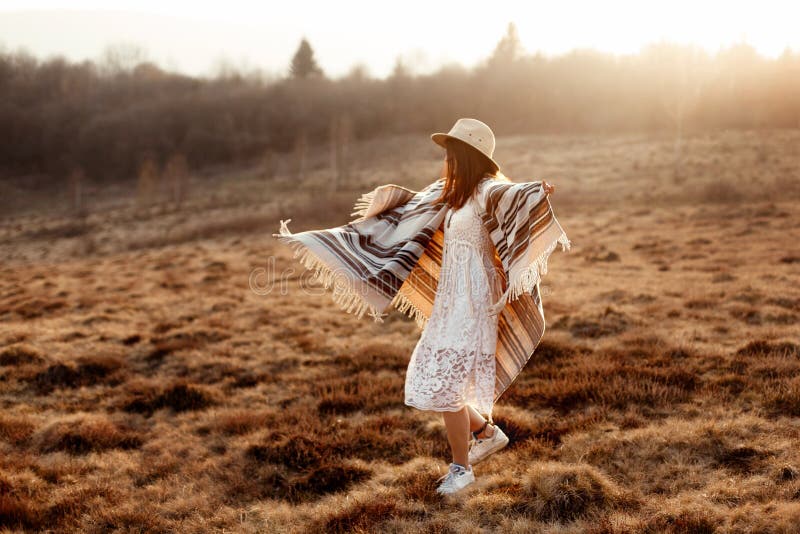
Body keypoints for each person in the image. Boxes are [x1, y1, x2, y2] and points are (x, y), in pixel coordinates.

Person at [403, 118, 555, 494]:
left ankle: (461, 469)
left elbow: (516, 195)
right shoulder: (456, 194)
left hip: (474, 303)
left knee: (448, 385)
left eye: (452, 154)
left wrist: (538, 191)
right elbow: (413, 212)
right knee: (437, 378)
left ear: (468, 155)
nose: (447, 160)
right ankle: (486, 433)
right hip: (450, 301)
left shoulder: (488, 190)